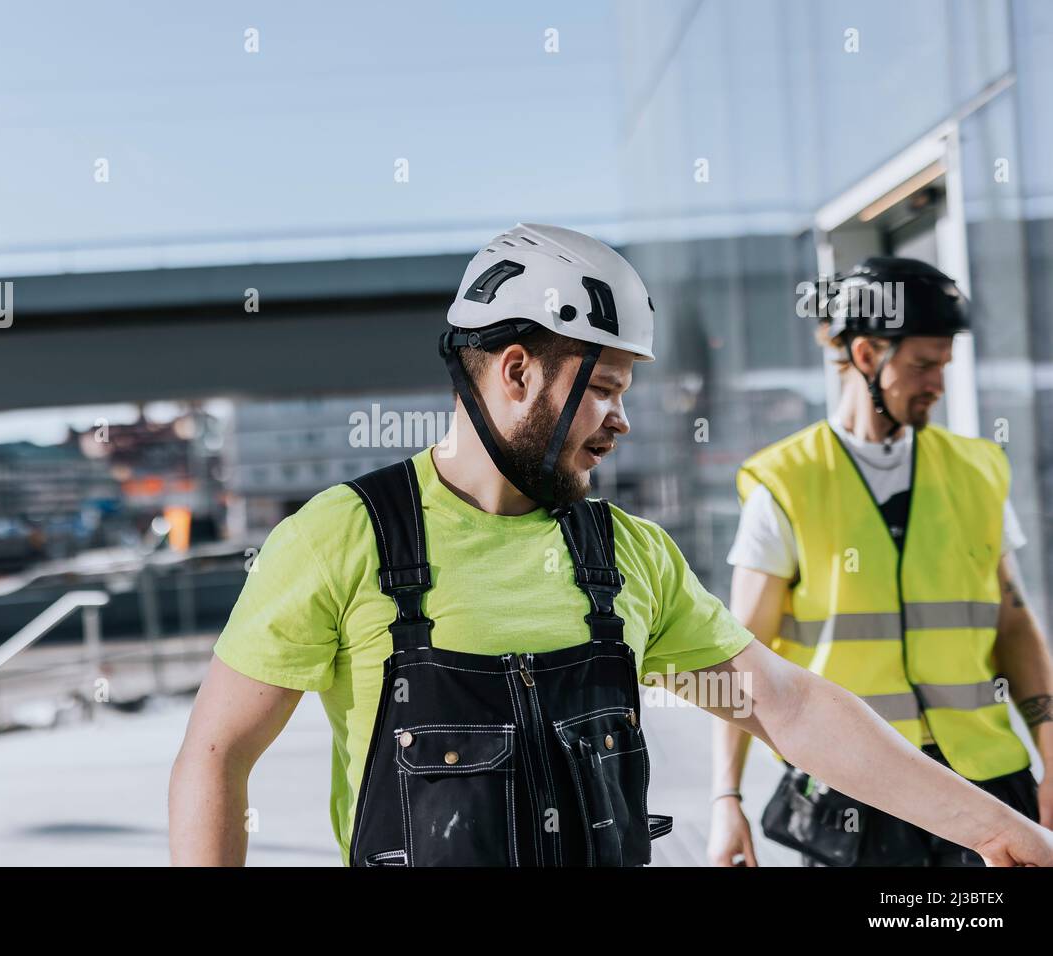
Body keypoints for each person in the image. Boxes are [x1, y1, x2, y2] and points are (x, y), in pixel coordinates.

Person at [168, 228, 1053, 867]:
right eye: (606, 390)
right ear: (516, 370)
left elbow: (785, 706)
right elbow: (217, 756)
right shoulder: (342, 537)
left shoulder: (628, 558)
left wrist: (997, 830)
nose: (623, 421)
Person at [707, 257, 1053, 867]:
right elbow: (741, 656)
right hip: (856, 790)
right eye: (923, 365)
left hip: (987, 782)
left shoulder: (978, 471)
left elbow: (1015, 626)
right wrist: (725, 796)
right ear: (866, 355)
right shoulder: (785, 484)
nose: (938, 384)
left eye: (945, 364)